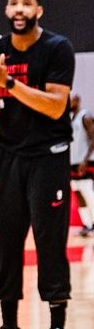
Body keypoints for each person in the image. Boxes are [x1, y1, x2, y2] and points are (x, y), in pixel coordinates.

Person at [0, 0, 74, 329]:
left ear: (39, 10)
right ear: (6, 9)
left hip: (48, 157)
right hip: (10, 157)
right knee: (7, 243)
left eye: (26, 3)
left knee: (50, 242)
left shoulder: (56, 48)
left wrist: (10, 84)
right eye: (13, 2)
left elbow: (54, 106)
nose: (19, 8)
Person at [68, 94, 94, 236]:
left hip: (85, 162)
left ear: (77, 100)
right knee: (78, 194)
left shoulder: (85, 116)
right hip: (73, 162)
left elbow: (93, 138)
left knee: (89, 193)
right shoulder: (71, 119)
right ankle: (87, 224)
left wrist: (85, 160)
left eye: (71, 100)